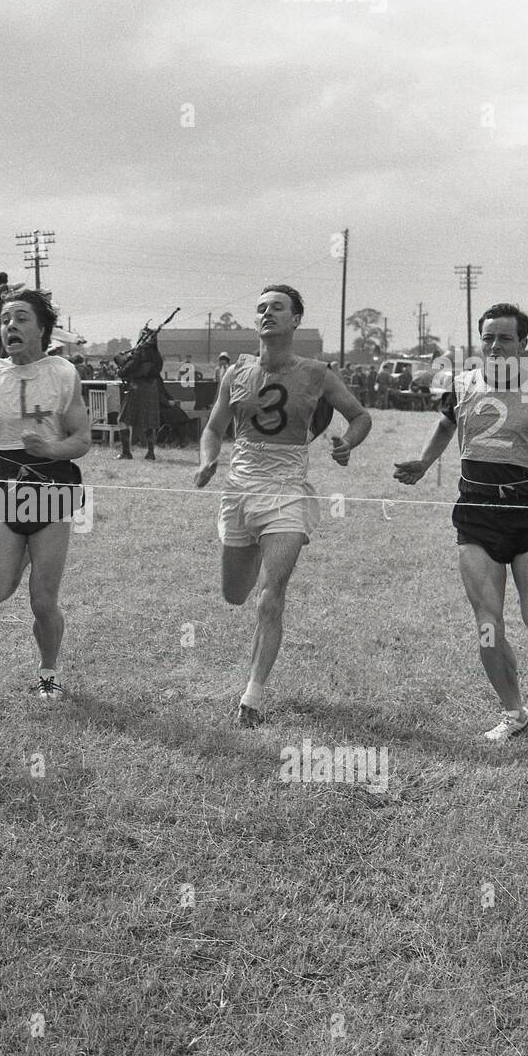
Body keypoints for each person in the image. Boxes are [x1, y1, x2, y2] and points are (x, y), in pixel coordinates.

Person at [394, 304, 528, 739]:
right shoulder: (463, 384)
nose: (495, 346)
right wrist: (422, 462)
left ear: (523, 344)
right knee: (488, 624)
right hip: (475, 513)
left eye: (505, 338)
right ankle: (514, 713)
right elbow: (445, 425)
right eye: (488, 338)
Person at [196, 283, 371, 726]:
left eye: (278, 307)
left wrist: (347, 443)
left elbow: (360, 415)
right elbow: (214, 428)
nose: (267, 313)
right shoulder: (235, 374)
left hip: (288, 491)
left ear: (295, 320)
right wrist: (207, 459)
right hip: (239, 489)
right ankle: (254, 548)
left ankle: (253, 696)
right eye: (261, 308)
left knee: (270, 597)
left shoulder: (317, 373)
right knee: (235, 594)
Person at [0, 289, 91, 700]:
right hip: (7, 491)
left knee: (42, 600)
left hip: (53, 493)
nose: (10, 327)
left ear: (41, 328)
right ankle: (17, 556)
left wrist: (49, 449)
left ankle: (49, 672)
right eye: (4, 320)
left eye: (21, 318)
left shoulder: (62, 373)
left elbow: (82, 440)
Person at [116, 326, 165, 460]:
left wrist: (120, 370)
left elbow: (128, 368)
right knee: (149, 421)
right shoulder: (157, 355)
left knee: (122, 420)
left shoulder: (139, 352)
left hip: (137, 387)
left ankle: (126, 453)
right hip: (151, 388)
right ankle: (150, 452)